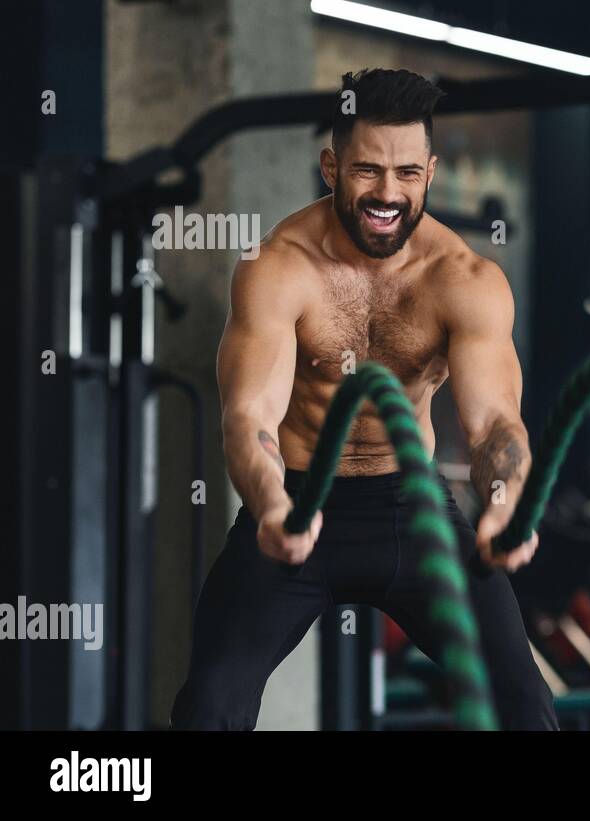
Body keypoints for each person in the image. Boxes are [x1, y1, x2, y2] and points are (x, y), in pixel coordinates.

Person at [171, 68, 557, 730]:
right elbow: (249, 416)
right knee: (209, 705)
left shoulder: (464, 280)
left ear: (431, 172)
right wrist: (268, 505)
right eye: (367, 170)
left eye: (408, 172)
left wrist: (502, 504)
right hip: (295, 500)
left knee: (524, 705)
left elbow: (495, 423)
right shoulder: (279, 266)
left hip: (412, 508)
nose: (387, 192)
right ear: (331, 166)